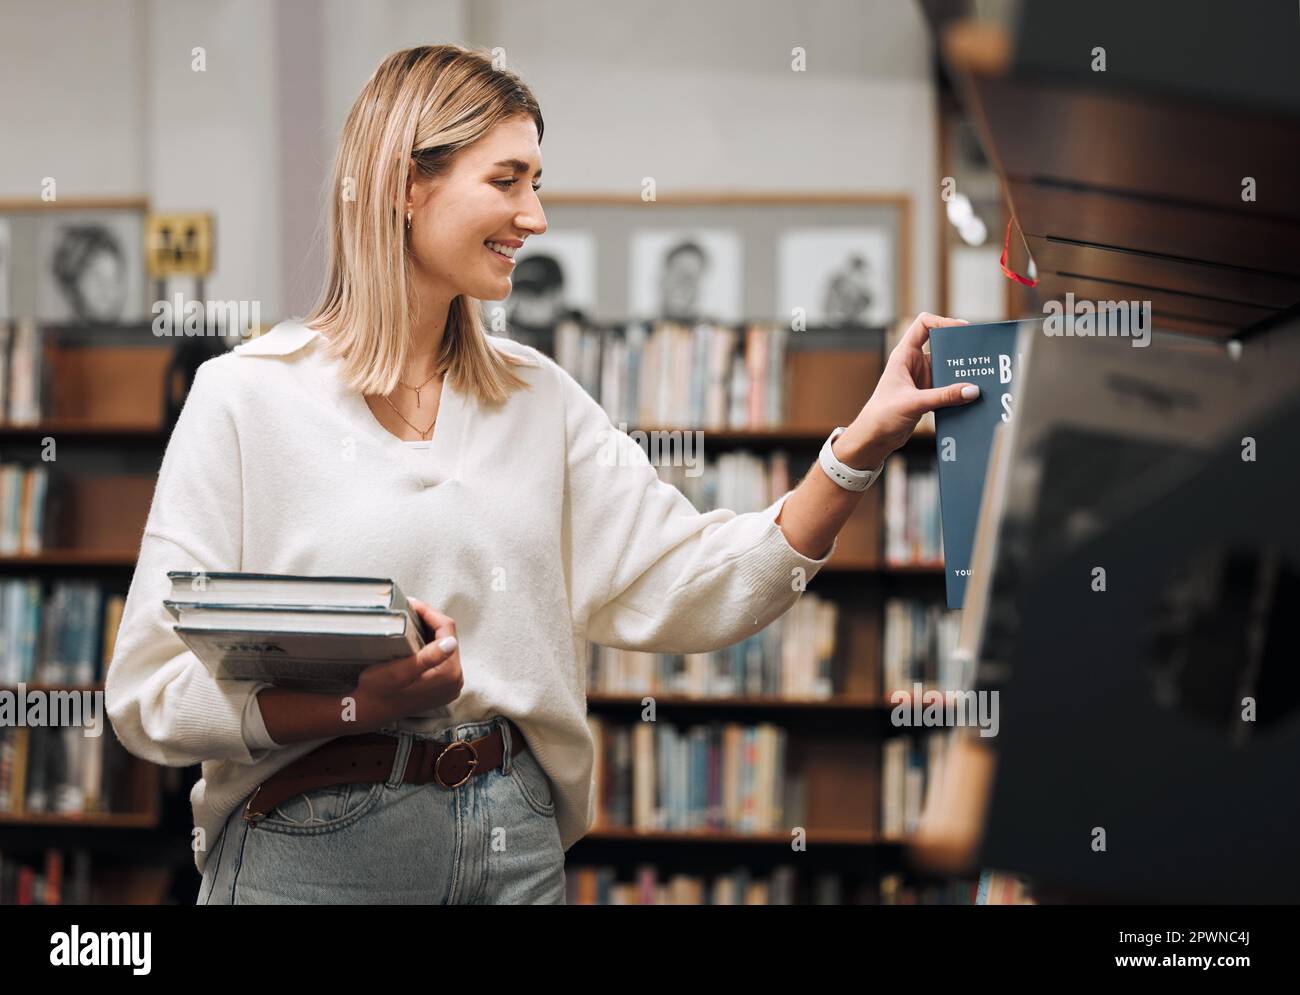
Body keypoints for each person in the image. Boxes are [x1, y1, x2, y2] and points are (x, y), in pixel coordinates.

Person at [104, 43, 979, 905]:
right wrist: (353, 705)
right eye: (507, 180)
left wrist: (858, 449)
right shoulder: (245, 398)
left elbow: (697, 580)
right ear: (409, 184)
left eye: (537, 184)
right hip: (314, 848)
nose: (535, 216)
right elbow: (149, 693)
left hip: (514, 840)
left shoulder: (539, 398)